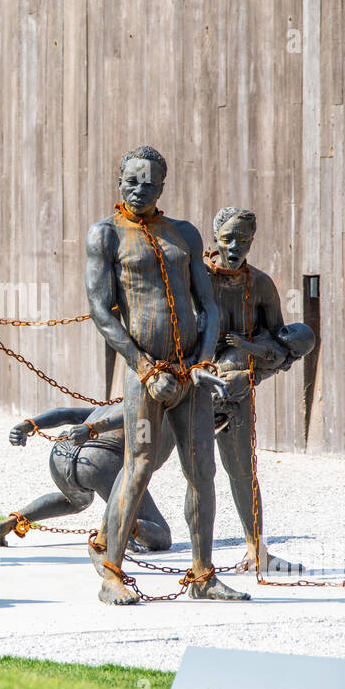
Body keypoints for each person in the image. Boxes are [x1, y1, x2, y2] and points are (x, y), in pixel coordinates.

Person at [83, 145, 247, 604]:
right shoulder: (106, 236)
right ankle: (111, 573)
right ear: (119, 180)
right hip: (144, 377)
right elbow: (101, 310)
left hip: (190, 373)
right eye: (132, 180)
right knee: (137, 466)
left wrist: (202, 361)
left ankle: (202, 575)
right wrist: (143, 367)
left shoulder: (186, 235)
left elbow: (209, 306)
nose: (140, 189)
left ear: (162, 186)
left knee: (202, 471)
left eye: (149, 182)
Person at [205, 206, 315, 573]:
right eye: (228, 238)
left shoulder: (261, 285)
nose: (235, 246)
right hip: (193, 384)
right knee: (149, 458)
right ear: (216, 237)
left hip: (235, 394)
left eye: (244, 239)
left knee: (240, 470)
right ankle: (115, 543)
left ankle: (257, 552)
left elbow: (283, 351)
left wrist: (246, 378)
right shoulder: (197, 279)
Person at [0, 403, 174, 551]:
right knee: (162, 535)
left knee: (75, 501)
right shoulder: (156, 409)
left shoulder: (113, 405)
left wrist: (28, 425)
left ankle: (12, 522)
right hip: (100, 461)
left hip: (61, 455)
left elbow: (66, 414)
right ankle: (123, 528)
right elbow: (137, 422)